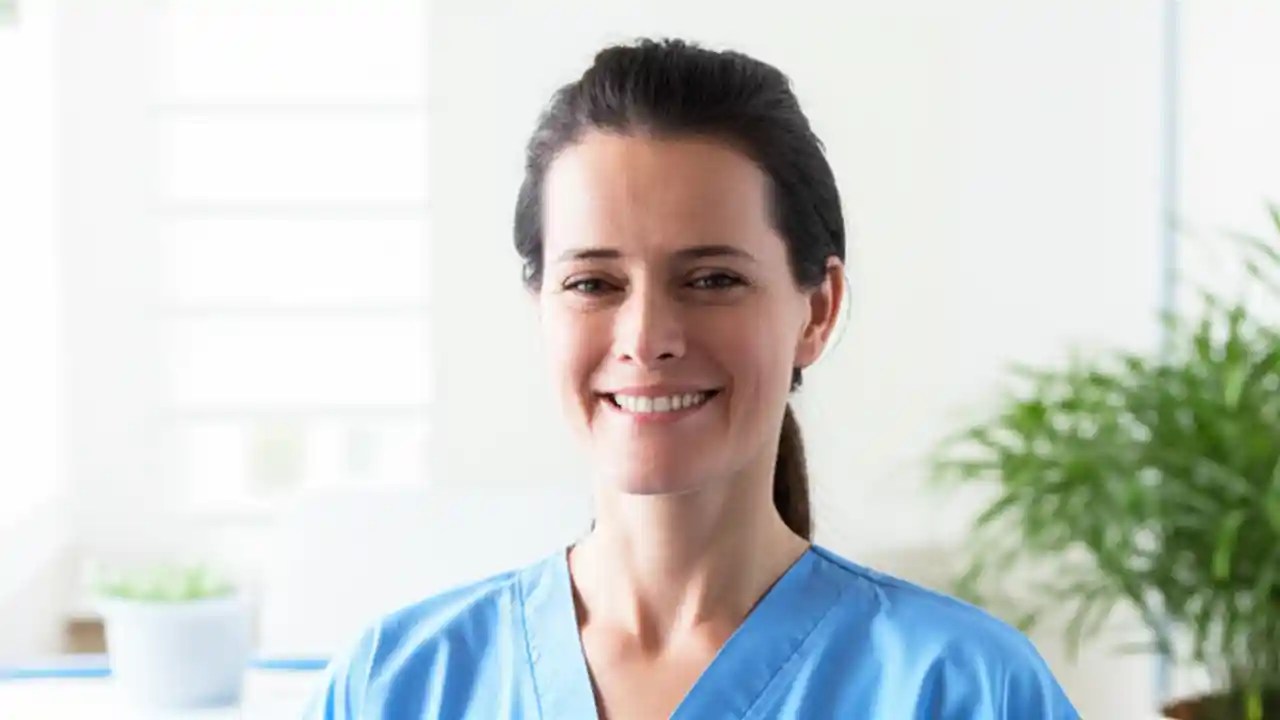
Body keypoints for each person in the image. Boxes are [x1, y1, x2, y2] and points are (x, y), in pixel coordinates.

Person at [306, 38, 1079, 719]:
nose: (646, 339)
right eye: (592, 284)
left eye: (711, 280)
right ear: (540, 308)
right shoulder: (395, 687)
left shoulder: (964, 691)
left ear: (817, 310)